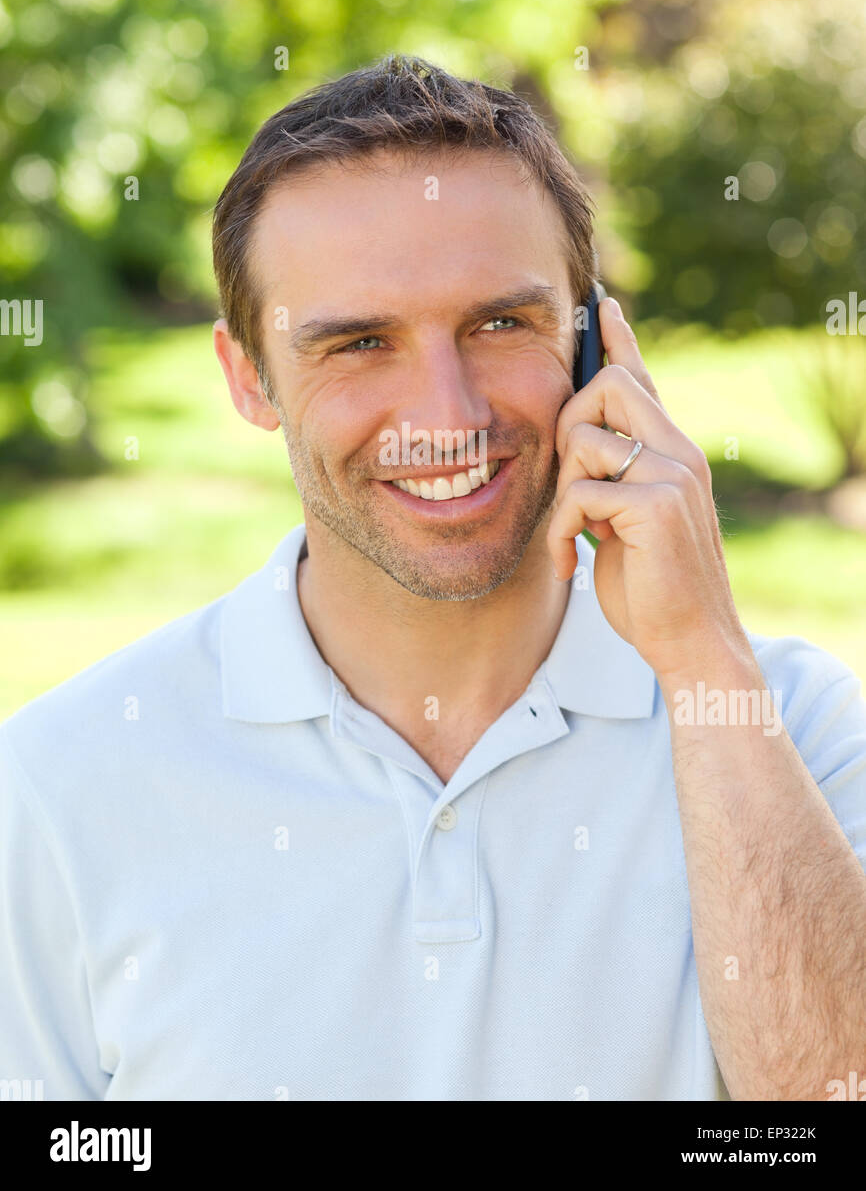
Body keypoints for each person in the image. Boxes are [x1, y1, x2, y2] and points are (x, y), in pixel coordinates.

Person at [2, 54, 865, 1102]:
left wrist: (696, 657)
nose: (446, 417)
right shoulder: (53, 788)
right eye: (359, 342)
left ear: (596, 343)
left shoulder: (793, 731)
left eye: (499, 324)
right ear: (248, 378)